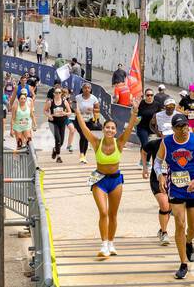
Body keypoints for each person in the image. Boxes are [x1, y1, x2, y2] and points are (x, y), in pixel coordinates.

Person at [75, 99, 140, 259]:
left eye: (112, 128)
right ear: (103, 130)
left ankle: (111, 242)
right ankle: (104, 244)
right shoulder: (97, 142)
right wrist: (77, 114)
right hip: (99, 180)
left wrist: (134, 112)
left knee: (113, 214)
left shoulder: (120, 143)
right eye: (107, 128)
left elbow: (131, 126)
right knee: (103, 212)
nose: (110, 130)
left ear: (115, 131)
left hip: (116, 181)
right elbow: (84, 129)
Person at [164, 113, 194, 280]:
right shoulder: (167, 142)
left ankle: (189, 241)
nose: (183, 130)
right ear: (174, 129)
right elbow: (159, 161)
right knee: (179, 224)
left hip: (193, 188)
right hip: (176, 188)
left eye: (185, 126)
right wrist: (161, 175)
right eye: (179, 127)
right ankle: (183, 263)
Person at [142, 132, 173, 245]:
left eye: (170, 134)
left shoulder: (177, 145)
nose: (168, 137)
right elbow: (144, 151)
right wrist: (145, 167)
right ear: (161, 134)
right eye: (165, 134)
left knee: (170, 206)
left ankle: (161, 229)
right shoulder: (155, 143)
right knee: (164, 205)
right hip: (156, 179)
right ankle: (164, 233)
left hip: (172, 180)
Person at [73, 85, 101, 163]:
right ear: (82, 89)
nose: (86, 89)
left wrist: (92, 109)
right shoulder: (77, 97)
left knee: (86, 136)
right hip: (79, 119)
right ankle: (82, 154)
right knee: (83, 135)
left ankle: (83, 155)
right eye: (85, 88)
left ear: (90, 89)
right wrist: (77, 110)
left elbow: (98, 109)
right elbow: (73, 107)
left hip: (89, 120)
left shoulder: (93, 98)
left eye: (88, 88)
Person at [46, 83, 71, 162]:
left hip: (62, 121)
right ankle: (58, 156)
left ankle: (55, 149)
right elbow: (45, 110)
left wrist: (65, 113)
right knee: (58, 138)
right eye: (56, 93)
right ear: (54, 94)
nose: (58, 94)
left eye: (59, 92)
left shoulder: (65, 102)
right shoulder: (50, 102)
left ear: (61, 93)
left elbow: (69, 112)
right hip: (53, 122)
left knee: (62, 141)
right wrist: (49, 115)